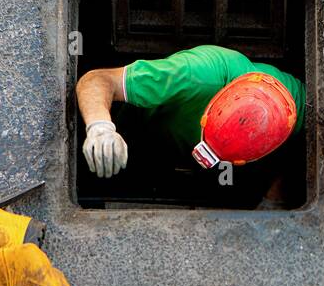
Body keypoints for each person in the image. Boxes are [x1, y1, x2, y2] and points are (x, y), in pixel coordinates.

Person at [75, 45, 305, 186]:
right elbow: (97, 79)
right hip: (136, 129)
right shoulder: (193, 74)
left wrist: (272, 200)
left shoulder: (292, 112)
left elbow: (299, 156)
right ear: (214, 105)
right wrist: (100, 128)